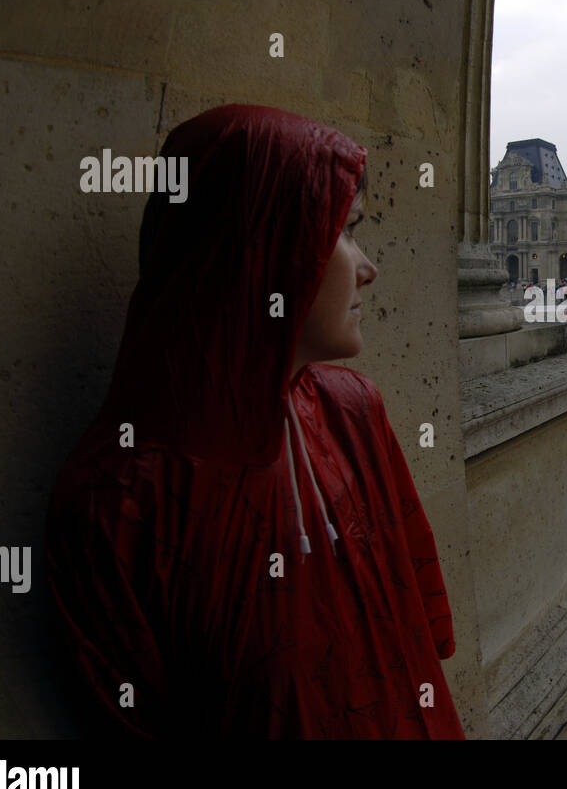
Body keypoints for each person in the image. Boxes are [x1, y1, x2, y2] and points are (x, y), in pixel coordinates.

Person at [45, 104, 464, 739]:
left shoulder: (355, 409)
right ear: (261, 248)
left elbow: (418, 630)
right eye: (345, 231)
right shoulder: (114, 499)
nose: (370, 267)